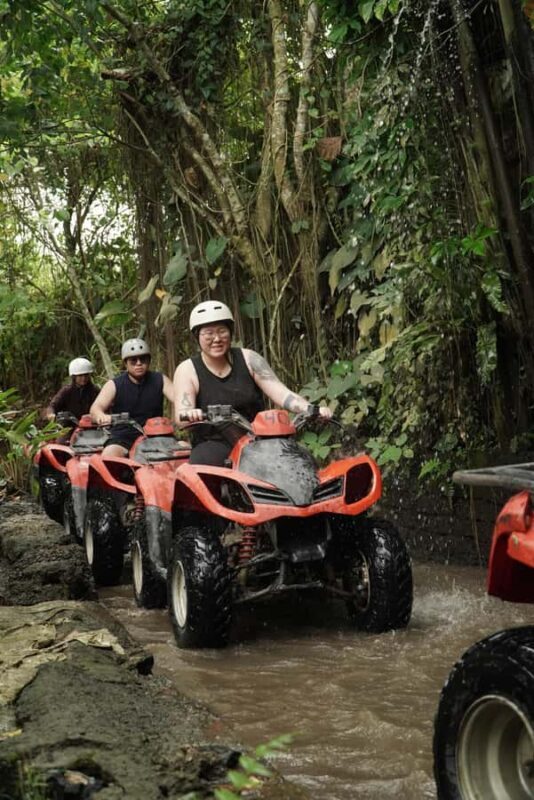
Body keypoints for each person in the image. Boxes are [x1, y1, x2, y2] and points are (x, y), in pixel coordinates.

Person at [173, 300, 332, 465]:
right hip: (214, 444)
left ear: (231, 332)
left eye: (222, 331)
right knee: (203, 463)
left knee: (300, 461)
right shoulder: (187, 369)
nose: (217, 338)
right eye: (208, 333)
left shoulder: (249, 359)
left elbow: (281, 393)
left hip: (259, 439)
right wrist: (191, 414)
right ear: (197, 336)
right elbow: (181, 414)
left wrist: (310, 409)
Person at [90, 338, 174, 457]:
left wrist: (190, 409)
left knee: (185, 449)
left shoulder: (160, 379)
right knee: (109, 454)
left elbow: (179, 398)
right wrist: (101, 416)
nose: (139, 363)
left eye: (143, 359)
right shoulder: (114, 384)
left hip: (157, 433)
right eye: (133, 360)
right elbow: (95, 408)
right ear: (126, 363)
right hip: (123, 436)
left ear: (149, 361)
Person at [45, 357, 100, 425]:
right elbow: (53, 405)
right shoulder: (66, 391)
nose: (84, 378)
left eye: (86, 375)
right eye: (80, 375)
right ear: (74, 377)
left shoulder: (95, 390)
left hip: (92, 426)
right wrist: (51, 414)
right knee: (64, 435)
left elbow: (104, 405)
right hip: (70, 426)